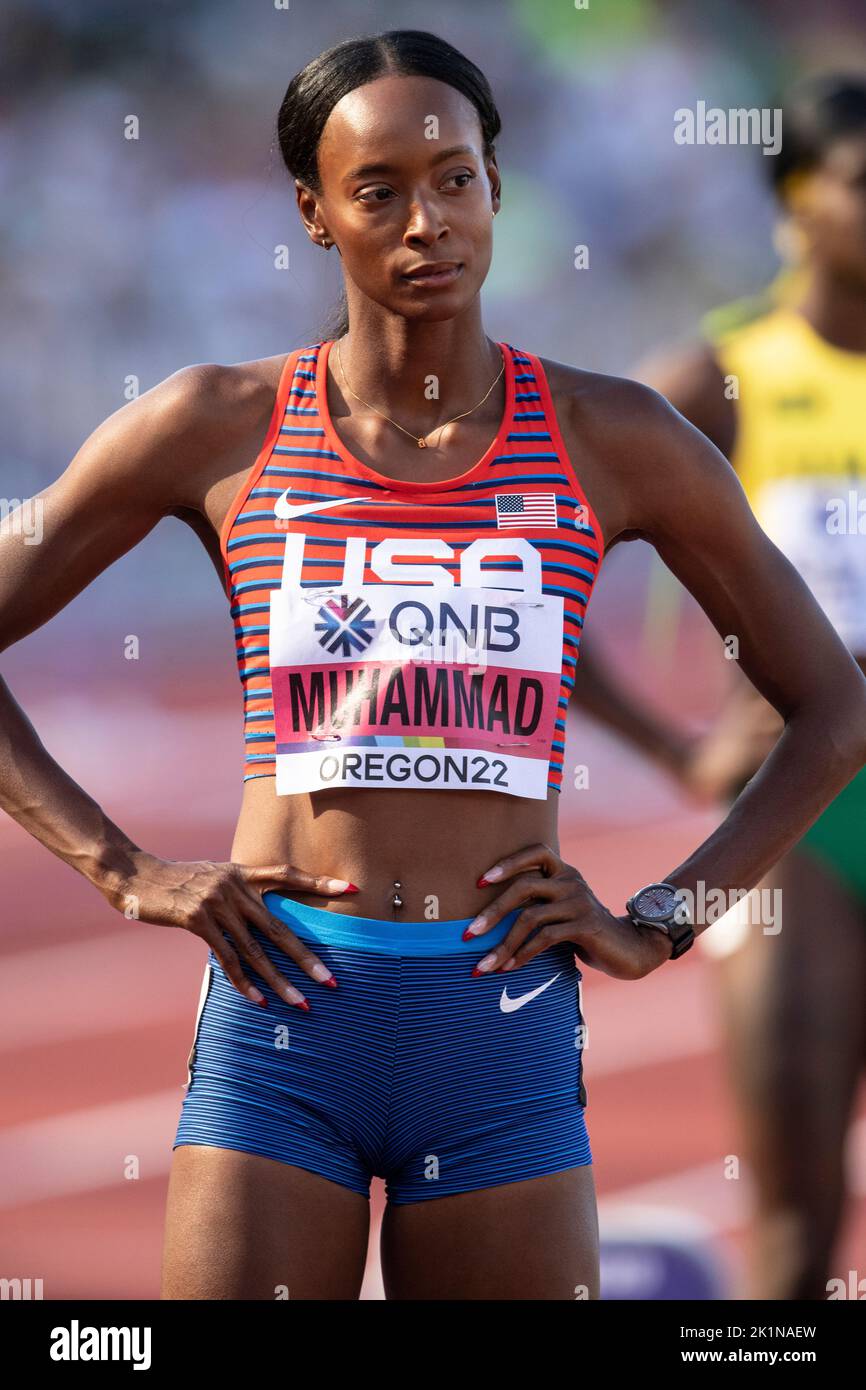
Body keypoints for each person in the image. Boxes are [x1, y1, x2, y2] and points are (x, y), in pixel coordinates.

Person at [1, 33, 864, 1302]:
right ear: (311, 211)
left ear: (499, 188)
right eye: (379, 190)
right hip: (282, 1010)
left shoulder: (614, 435)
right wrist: (123, 868)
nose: (427, 222)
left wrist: (661, 920)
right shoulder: (214, 423)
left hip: (497, 1028)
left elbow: (832, 707)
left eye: (454, 179)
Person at [576, 73, 866, 1300]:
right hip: (800, 825)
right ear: (796, 201)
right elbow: (534, 571)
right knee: (796, 1222)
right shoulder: (717, 379)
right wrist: (675, 745)